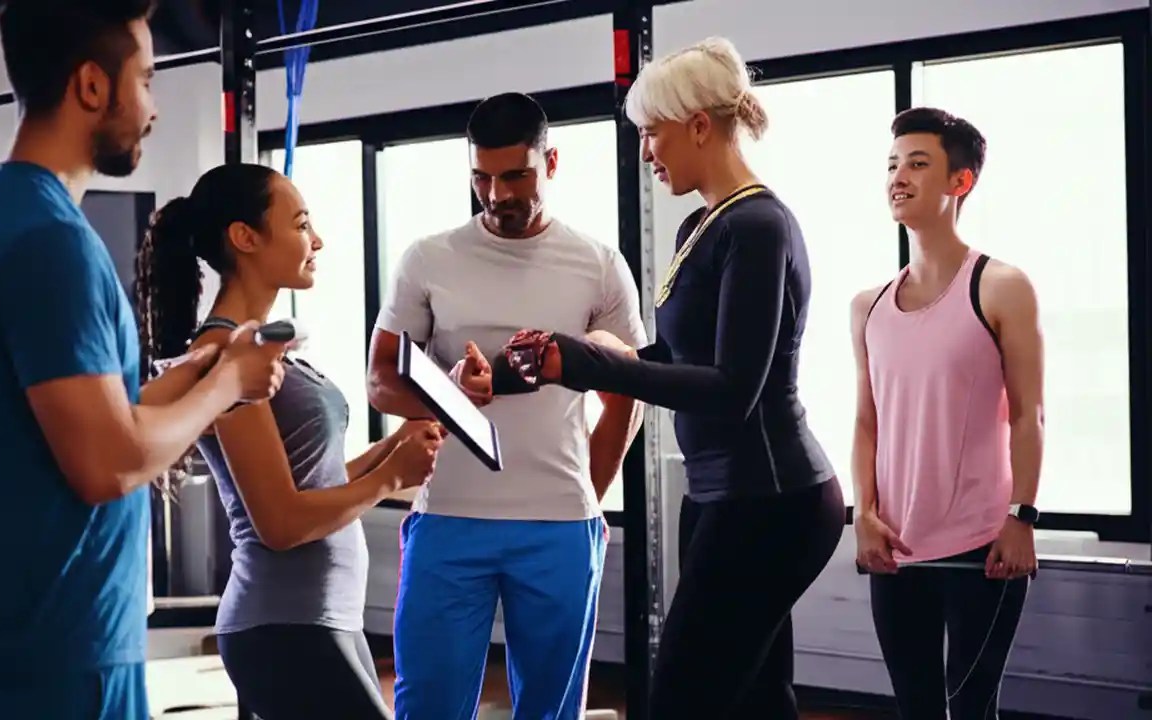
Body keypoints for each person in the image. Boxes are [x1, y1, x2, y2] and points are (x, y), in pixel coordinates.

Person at [0, 2, 289, 718]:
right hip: (53, 653)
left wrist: (207, 367)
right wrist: (226, 387)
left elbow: (94, 421)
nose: (153, 108)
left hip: (31, 643)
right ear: (92, 86)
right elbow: (109, 463)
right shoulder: (49, 241)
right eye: (145, 80)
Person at [495, 38, 846, 718]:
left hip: (772, 500)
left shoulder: (759, 225)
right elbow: (682, 356)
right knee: (754, 700)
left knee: (681, 701)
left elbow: (733, 389)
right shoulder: (703, 225)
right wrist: (583, 356)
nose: (646, 152)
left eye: (652, 134)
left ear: (699, 126)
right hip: (722, 494)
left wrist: (592, 362)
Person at [366, 92, 647, 719]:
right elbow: (380, 380)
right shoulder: (428, 258)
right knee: (428, 707)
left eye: (515, 176)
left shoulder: (599, 264)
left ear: (552, 162)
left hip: (559, 523)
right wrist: (446, 393)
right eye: (482, 178)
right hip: (449, 518)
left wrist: (589, 495)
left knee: (550, 711)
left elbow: (627, 392)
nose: (496, 195)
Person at [133, 162, 448, 719]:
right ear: (245, 237)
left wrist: (394, 448)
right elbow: (279, 523)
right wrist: (388, 480)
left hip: (324, 618)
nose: (317, 240)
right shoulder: (227, 358)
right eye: (301, 224)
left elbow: (313, 484)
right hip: (286, 625)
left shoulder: (257, 351)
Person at [850, 106, 1044, 719]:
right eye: (892, 165)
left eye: (917, 163)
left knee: (972, 708)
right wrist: (864, 513)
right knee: (915, 708)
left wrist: (1022, 517)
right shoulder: (867, 305)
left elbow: (1028, 415)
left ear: (961, 181)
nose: (898, 177)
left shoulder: (1001, 286)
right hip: (897, 545)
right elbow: (867, 420)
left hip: (981, 546)